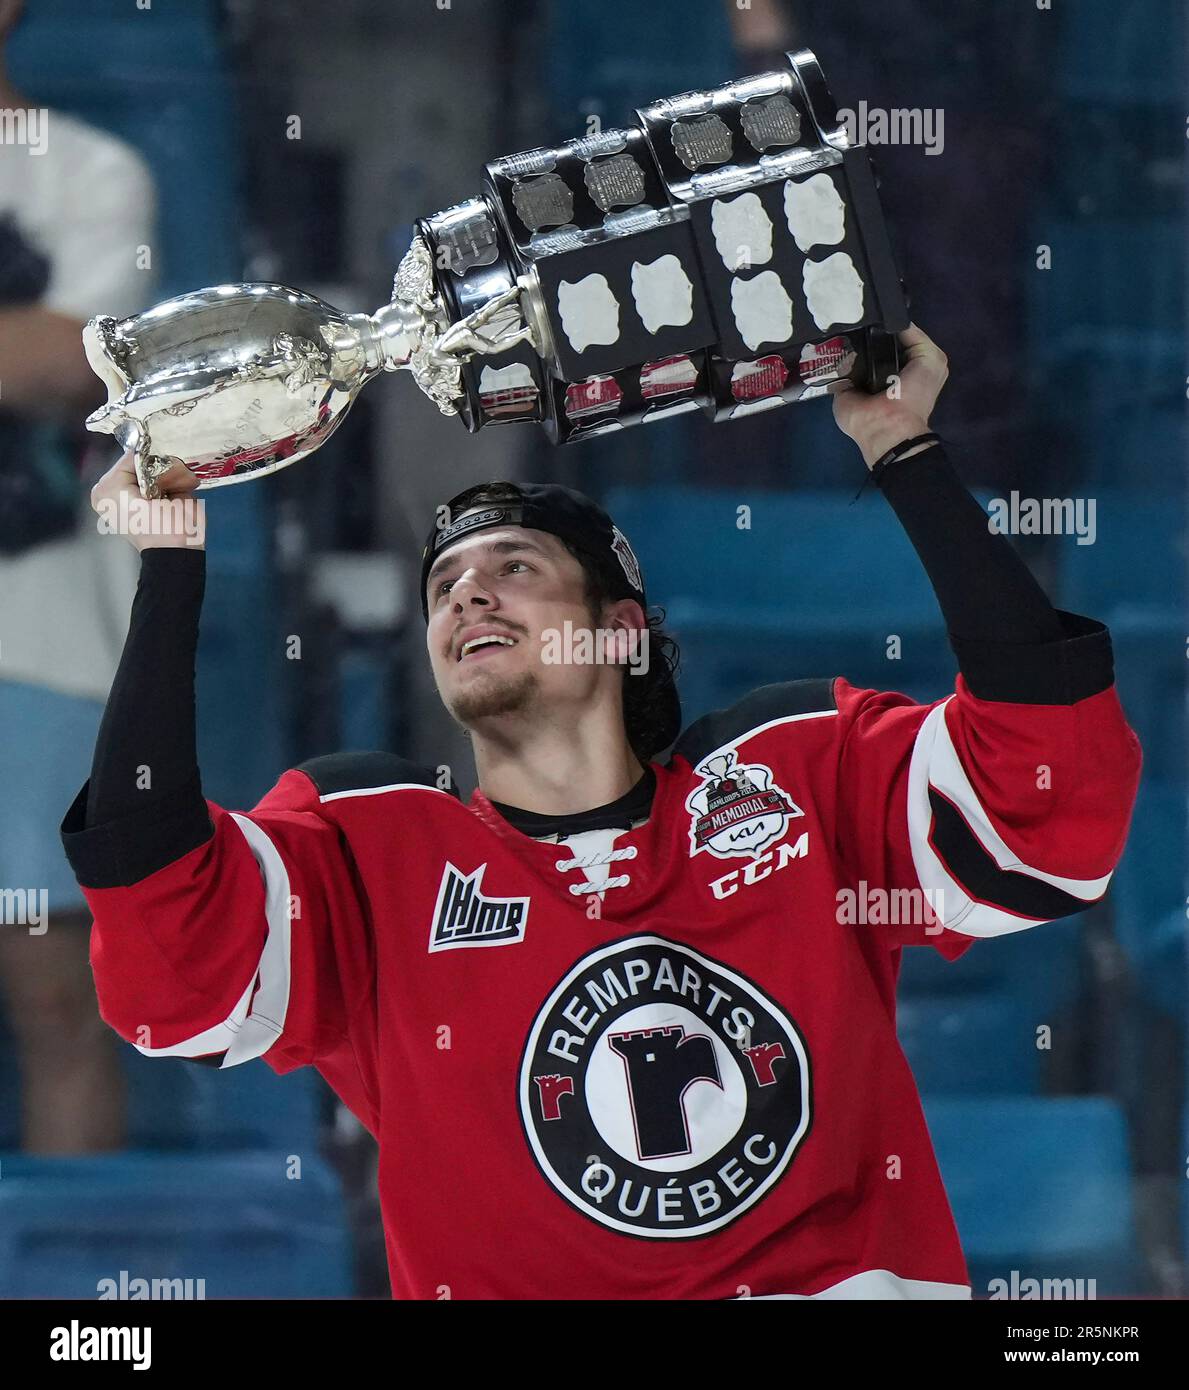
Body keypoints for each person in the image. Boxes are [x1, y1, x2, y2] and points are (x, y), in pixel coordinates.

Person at [64, 325, 1141, 1298]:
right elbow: (168, 956)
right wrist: (170, 567)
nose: (468, 597)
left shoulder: (796, 768)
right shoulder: (368, 843)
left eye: (513, 567)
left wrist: (905, 454)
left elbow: (1050, 796)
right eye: (445, 588)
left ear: (620, 631)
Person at [0, 0, 156, 1151]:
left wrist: (40, 348)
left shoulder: (95, 173)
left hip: (38, 637)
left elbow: (68, 357)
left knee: (56, 997)